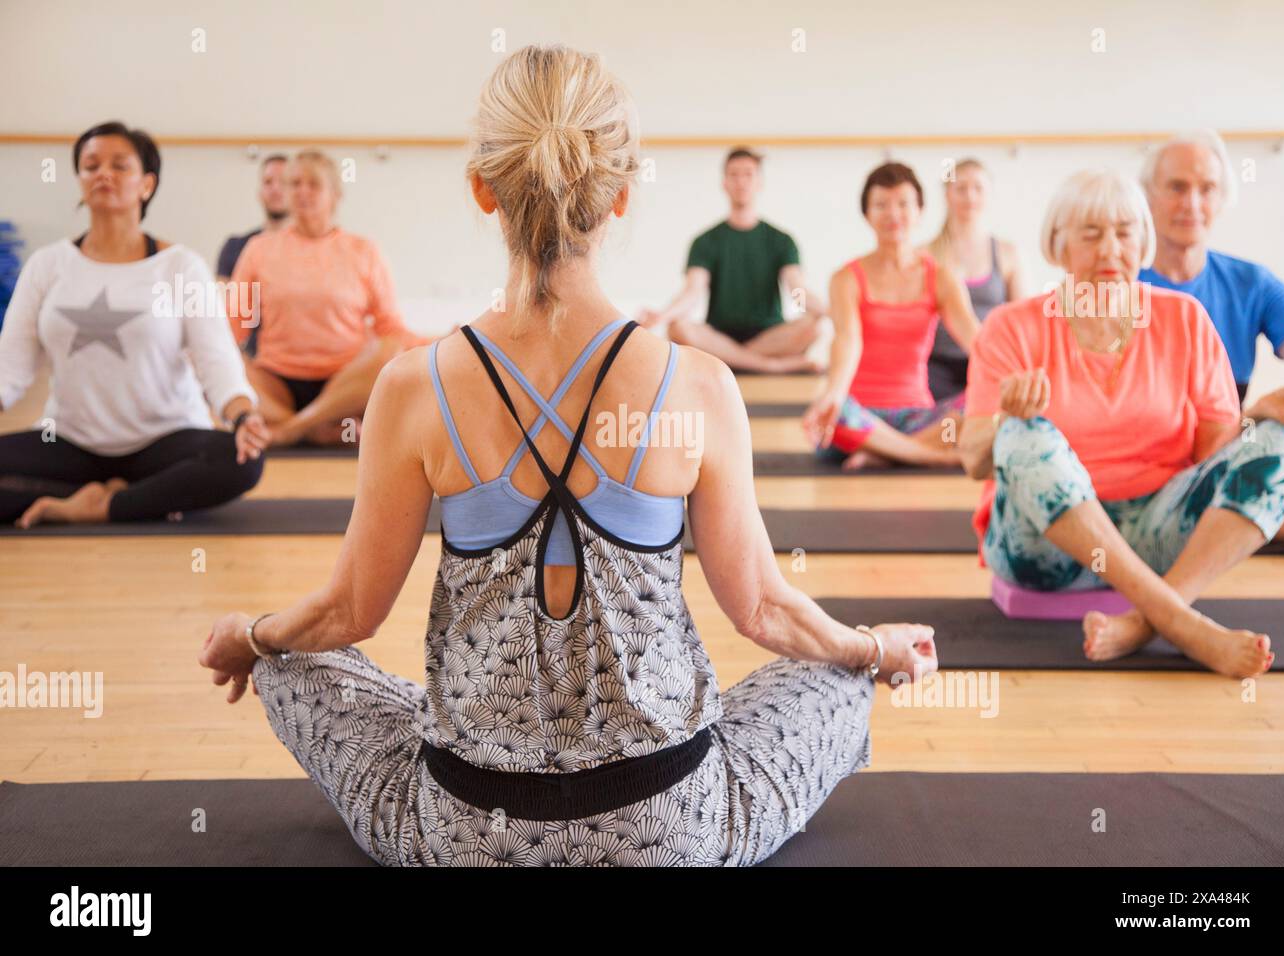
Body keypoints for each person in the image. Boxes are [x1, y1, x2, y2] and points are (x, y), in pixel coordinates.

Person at [199, 45, 938, 868]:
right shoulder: (697, 385)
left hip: (466, 830)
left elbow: (348, 614)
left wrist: (249, 635)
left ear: (483, 189)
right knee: (837, 676)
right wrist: (877, 648)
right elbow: (765, 610)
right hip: (670, 827)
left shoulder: (411, 387)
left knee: (294, 660)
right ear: (620, 197)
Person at [957, 168, 1284, 678]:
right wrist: (1008, 415)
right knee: (1023, 433)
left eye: (1124, 232)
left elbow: (1214, 457)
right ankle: (1182, 624)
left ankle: (1148, 620)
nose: (1109, 249)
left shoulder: (1184, 318)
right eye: (1091, 234)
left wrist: (1257, 420)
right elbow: (971, 460)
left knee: (1281, 439)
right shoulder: (1012, 325)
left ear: (1144, 241)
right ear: (1058, 245)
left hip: (1160, 536)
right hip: (1044, 551)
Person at [0, 121, 268, 528]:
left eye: (120, 165)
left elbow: (217, 360)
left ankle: (97, 506)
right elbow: (10, 367)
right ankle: (115, 499)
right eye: (91, 166)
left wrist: (243, 416)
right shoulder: (47, 265)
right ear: (80, 180)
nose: (103, 173)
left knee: (241, 461)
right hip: (71, 440)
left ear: (146, 184)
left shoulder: (181, 265)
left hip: (167, 440)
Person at [1138, 129, 1284, 547]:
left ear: (1220, 198)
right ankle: (1264, 521)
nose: (1191, 203)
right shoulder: (1118, 291)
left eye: (1206, 189)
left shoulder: (1252, 284)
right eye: (1177, 187)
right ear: (1148, 195)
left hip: (1225, 454)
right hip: (1147, 477)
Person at [227, 149, 432, 447]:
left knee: (390, 349)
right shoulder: (258, 249)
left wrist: (440, 343)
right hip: (276, 383)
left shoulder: (364, 251)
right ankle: (316, 429)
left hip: (345, 383)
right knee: (227, 360)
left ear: (335, 194)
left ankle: (290, 429)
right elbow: (234, 326)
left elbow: (390, 327)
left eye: (313, 184)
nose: (302, 192)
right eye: (294, 184)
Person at [804, 162, 981, 470]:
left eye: (903, 204)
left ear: (920, 211)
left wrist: (1008, 378)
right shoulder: (846, 278)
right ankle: (931, 455)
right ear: (867, 213)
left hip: (918, 418)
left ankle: (885, 453)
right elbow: (848, 342)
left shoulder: (940, 278)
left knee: (979, 403)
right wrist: (832, 394)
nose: (893, 214)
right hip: (860, 417)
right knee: (837, 409)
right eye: (881, 205)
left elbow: (976, 341)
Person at [638, 147, 827, 373]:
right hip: (719, 334)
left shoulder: (782, 241)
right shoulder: (705, 241)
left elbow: (796, 289)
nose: (741, 182)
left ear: (759, 183)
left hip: (769, 336)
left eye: (748, 174)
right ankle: (768, 365)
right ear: (724, 183)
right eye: (734, 175)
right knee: (678, 327)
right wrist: (662, 315)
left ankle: (732, 359)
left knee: (814, 326)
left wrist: (828, 310)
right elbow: (692, 292)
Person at [926, 158, 1023, 400]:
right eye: (961, 188)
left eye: (978, 188)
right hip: (936, 367)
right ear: (947, 194)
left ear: (988, 194)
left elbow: (1020, 318)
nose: (970, 196)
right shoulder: (926, 254)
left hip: (990, 364)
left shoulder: (1007, 253)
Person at [216, 153, 289, 358]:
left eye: (283, 182)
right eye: (268, 182)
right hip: (250, 359)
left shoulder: (316, 249)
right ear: (260, 191)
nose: (275, 188)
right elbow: (224, 311)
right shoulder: (236, 246)